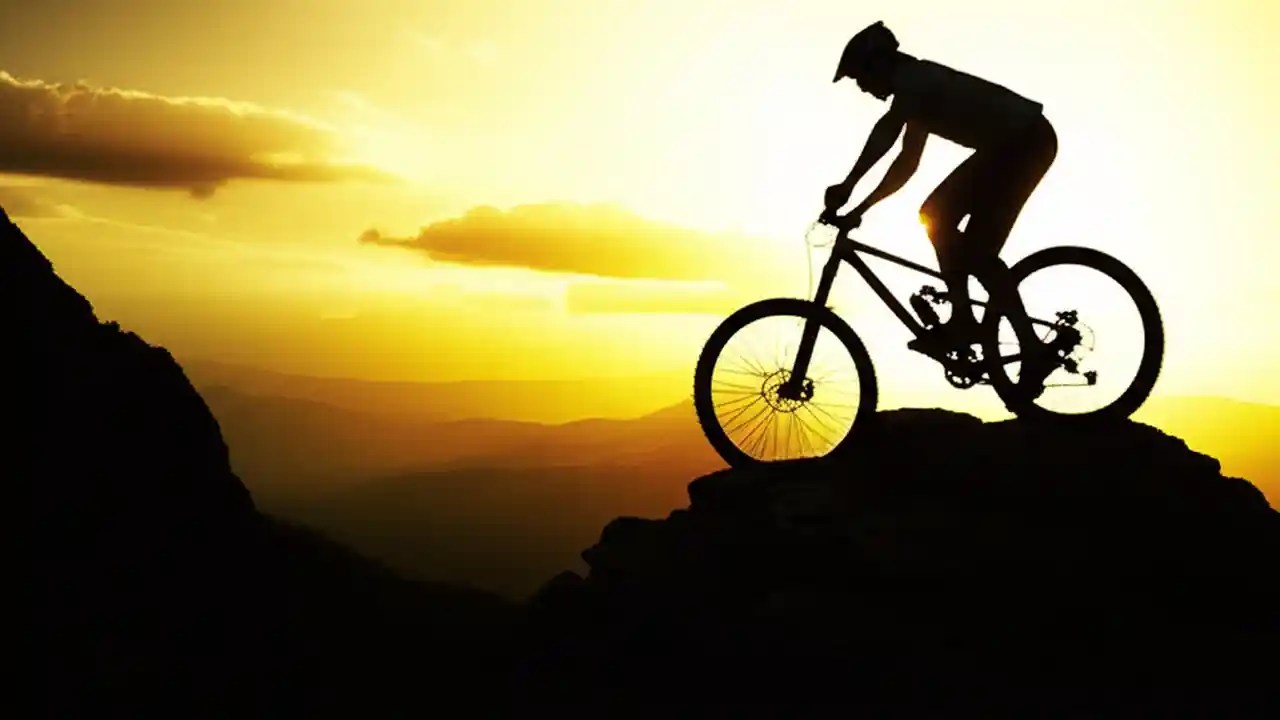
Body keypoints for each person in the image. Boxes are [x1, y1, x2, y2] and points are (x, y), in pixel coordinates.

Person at [823, 20, 1058, 356]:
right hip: (1017, 143)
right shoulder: (914, 96)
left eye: (860, 76)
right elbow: (906, 164)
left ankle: (1002, 337)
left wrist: (848, 185)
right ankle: (977, 325)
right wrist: (859, 211)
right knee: (946, 225)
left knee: (963, 240)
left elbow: (887, 130)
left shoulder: (914, 79)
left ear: (879, 62)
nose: (861, 87)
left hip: (1023, 142)